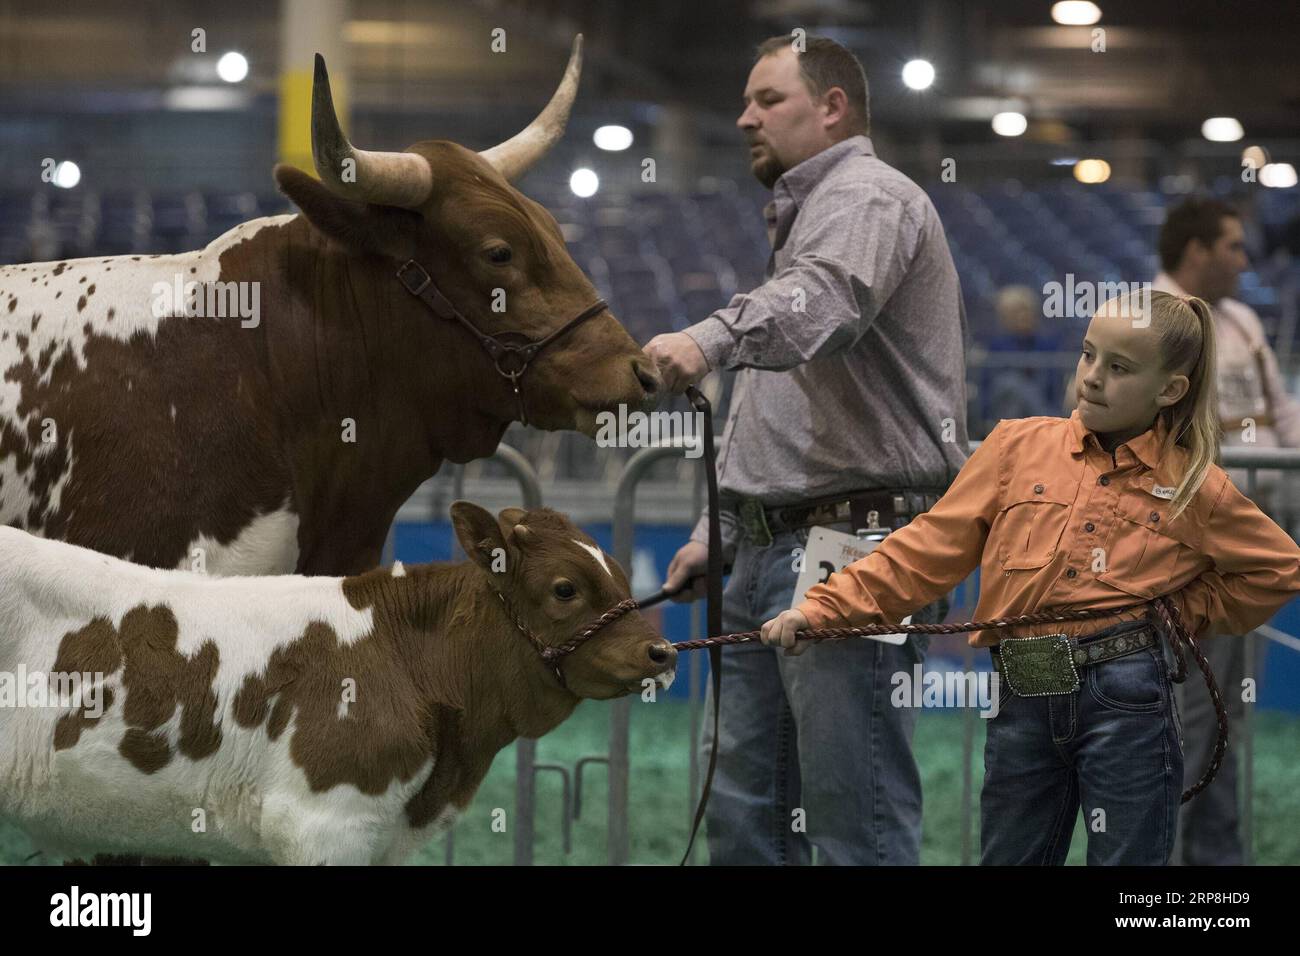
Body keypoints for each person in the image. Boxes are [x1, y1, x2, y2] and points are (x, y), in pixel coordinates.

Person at [762, 290, 1300, 865]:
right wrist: (822, 607)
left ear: (1170, 390)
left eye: (1119, 368)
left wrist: (1180, 612)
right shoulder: (1015, 447)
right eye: (1088, 354)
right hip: (1025, 683)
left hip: (1129, 690)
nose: (1093, 377)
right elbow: (924, 550)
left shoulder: (1196, 484)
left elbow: (1279, 568)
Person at [643, 34, 968, 865]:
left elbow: (827, 304)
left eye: (768, 99)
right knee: (747, 817)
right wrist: (719, 527)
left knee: (853, 816)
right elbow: (776, 396)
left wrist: (709, 338)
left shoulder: (868, 197)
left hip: (858, 545)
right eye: (745, 102)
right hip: (771, 548)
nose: (745, 118)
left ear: (832, 108)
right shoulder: (811, 217)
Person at [1153, 196, 1300, 864]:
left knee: (1228, 711)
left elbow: (1280, 411)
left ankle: (1215, 860)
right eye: (1233, 247)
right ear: (1197, 250)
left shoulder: (1240, 320)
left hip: (1255, 536)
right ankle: (1161, 858)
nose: (1245, 260)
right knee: (1186, 709)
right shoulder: (1151, 319)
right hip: (1190, 544)